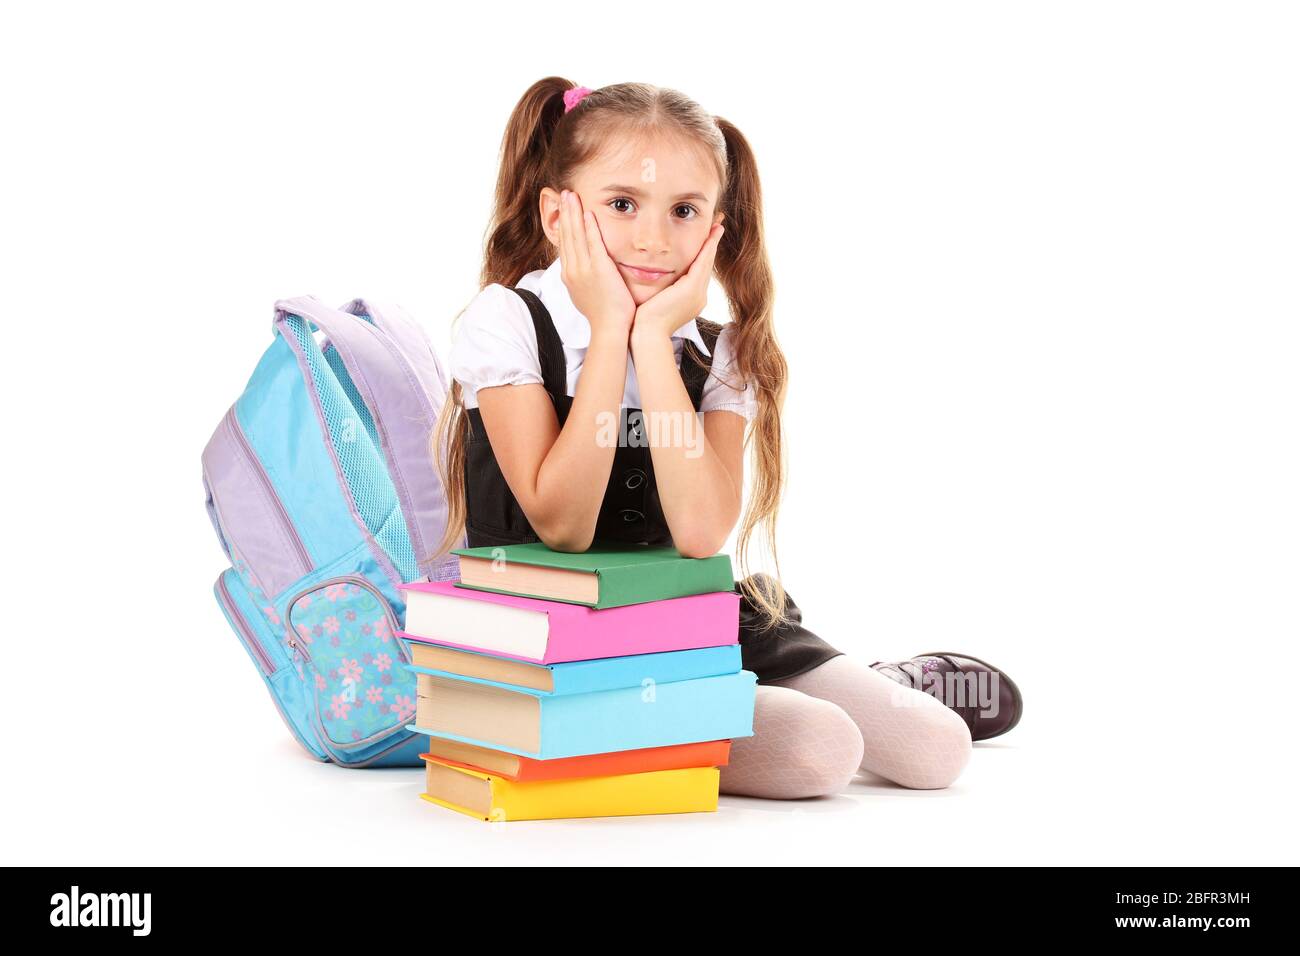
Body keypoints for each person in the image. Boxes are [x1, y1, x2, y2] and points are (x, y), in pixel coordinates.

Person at [425, 78, 1022, 799]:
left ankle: (867, 680)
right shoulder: (508, 322)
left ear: (716, 226)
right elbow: (564, 526)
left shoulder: (715, 351)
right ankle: (828, 696)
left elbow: (702, 531)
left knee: (936, 750)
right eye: (621, 205)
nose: (653, 238)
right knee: (821, 752)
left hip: (691, 626)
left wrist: (653, 339)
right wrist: (613, 329)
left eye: (684, 211)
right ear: (559, 213)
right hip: (554, 652)